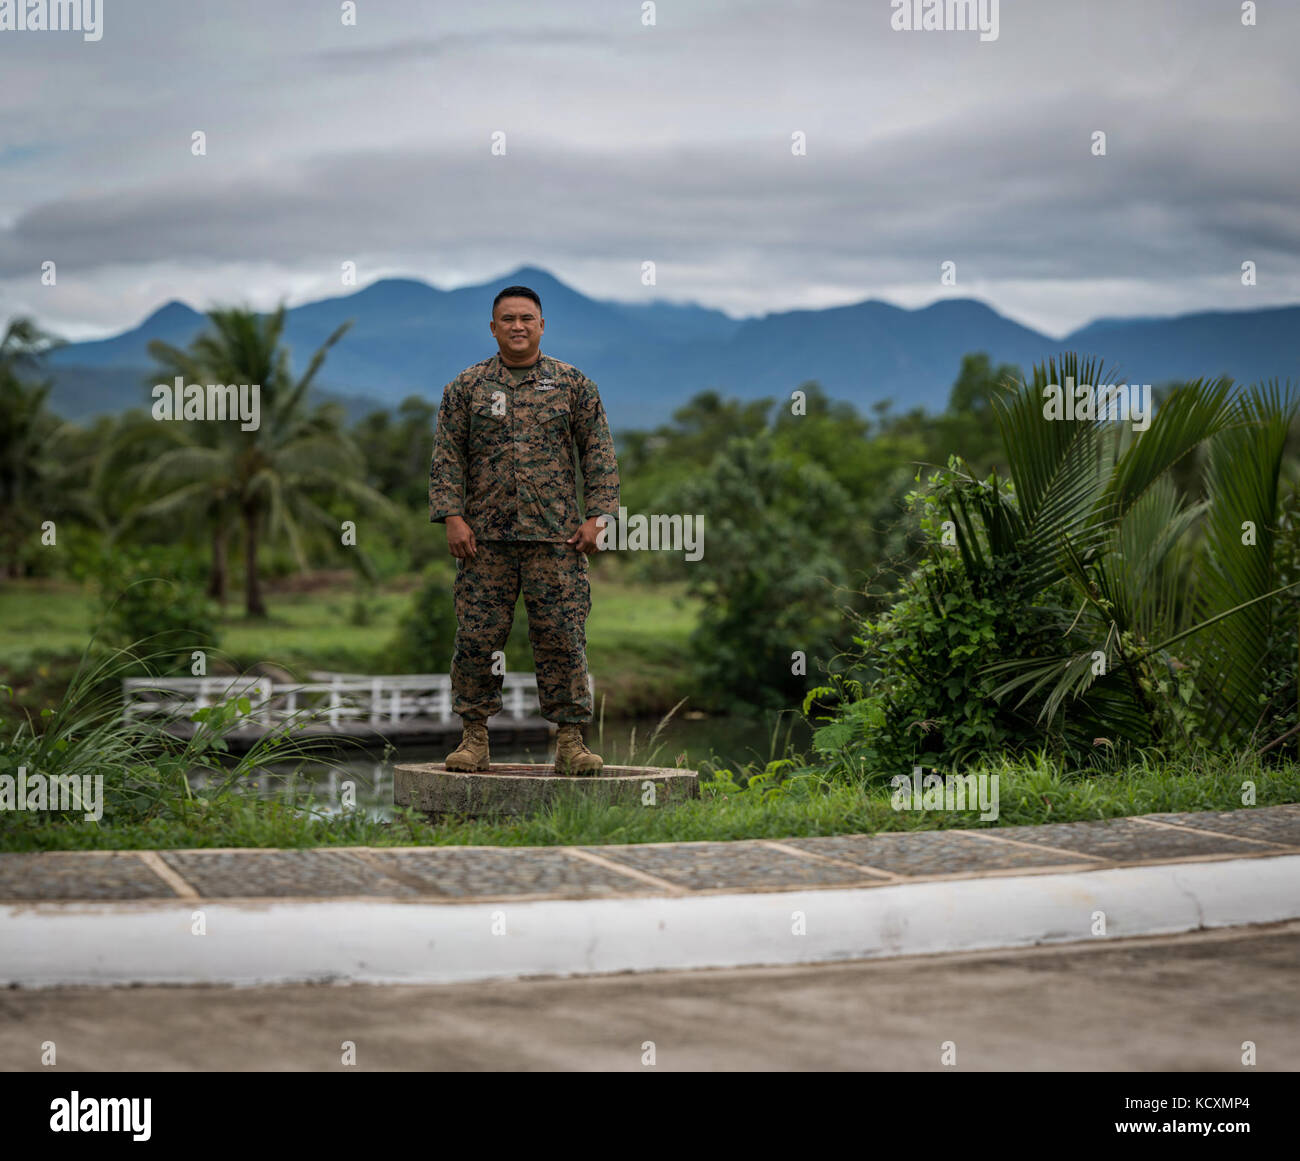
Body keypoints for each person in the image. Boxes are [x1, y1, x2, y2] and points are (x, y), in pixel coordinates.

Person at [428, 285, 620, 774]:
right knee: (477, 638)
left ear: (541, 325)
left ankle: (571, 742)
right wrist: (451, 516)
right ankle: (473, 739)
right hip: (483, 542)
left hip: (556, 539)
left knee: (562, 637)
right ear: (493, 328)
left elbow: (597, 452)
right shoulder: (466, 388)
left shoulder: (573, 385)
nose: (518, 326)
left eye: (526, 318)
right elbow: (448, 456)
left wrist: (599, 516)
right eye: (508, 319)